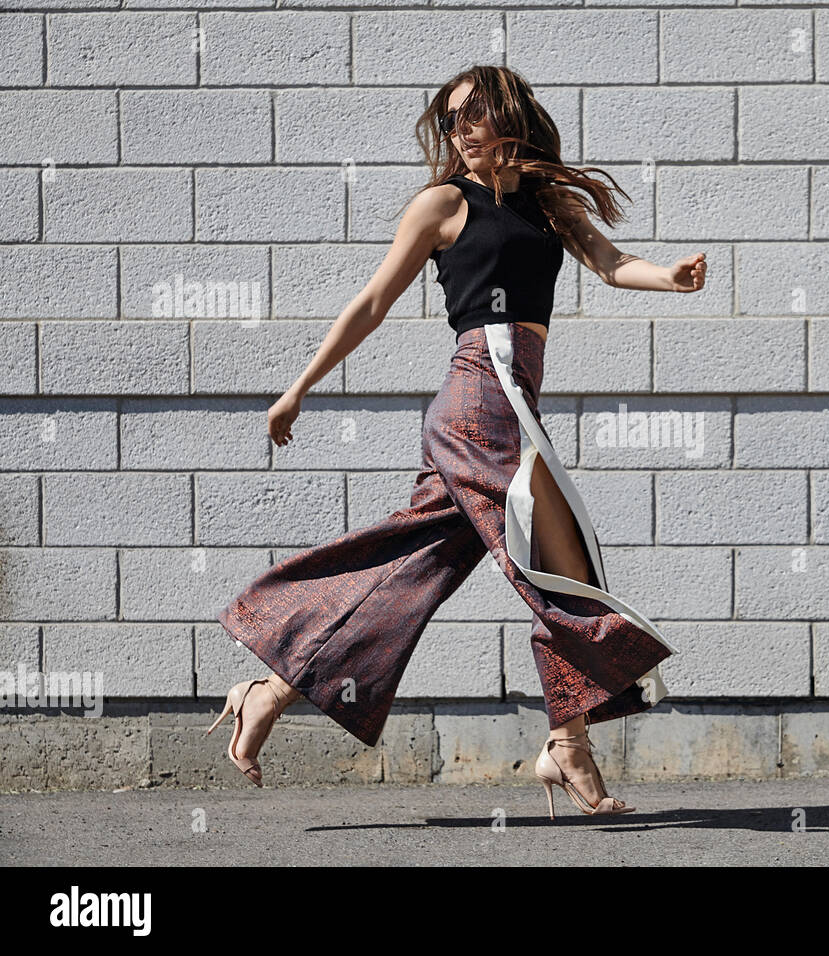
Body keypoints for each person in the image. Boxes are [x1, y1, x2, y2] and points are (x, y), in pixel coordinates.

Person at [207, 65, 706, 818]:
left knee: (418, 562)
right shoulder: (443, 204)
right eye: (449, 122)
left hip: (513, 400)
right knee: (556, 559)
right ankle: (570, 744)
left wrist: (670, 277)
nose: (460, 132)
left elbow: (609, 263)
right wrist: (299, 387)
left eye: (471, 116)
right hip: (478, 401)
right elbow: (373, 300)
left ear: (507, 114)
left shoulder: (548, 206)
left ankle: (270, 689)